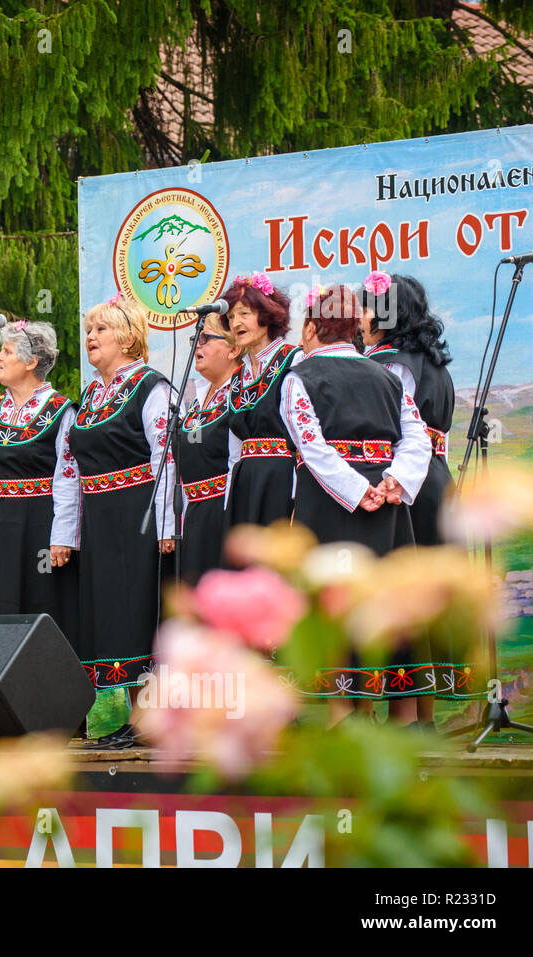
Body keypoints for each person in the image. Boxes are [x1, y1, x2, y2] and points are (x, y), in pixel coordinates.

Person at [282, 285, 432, 719]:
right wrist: (393, 481)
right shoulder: (385, 375)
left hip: (333, 507)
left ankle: (344, 721)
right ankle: (402, 723)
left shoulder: (299, 378)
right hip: (385, 508)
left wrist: (356, 490)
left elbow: (310, 445)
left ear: (311, 328)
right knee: (385, 603)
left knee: (338, 604)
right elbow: (416, 436)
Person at [68, 294, 175, 747]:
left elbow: (166, 459)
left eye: (101, 330)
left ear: (129, 338)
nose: (91, 338)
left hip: (138, 514)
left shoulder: (152, 387)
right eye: (90, 330)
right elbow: (70, 468)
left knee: (138, 611)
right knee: (112, 613)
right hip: (99, 518)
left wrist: (166, 526)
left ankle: (150, 721)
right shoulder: (90, 395)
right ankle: (134, 716)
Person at [359, 271, 462, 717]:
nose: (360, 317)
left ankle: (407, 717)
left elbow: (396, 430)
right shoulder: (432, 362)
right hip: (434, 479)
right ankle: (422, 717)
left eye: (367, 307)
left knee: (403, 593)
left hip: (404, 482)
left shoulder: (390, 362)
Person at [0, 319, 79, 640]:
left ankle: (42, 686)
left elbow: (67, 478)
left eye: (6, 351)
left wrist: (63, 536)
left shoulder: (61, 411)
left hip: (40, 528)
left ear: (30, 362)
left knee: (39, 604)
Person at [220, 273, 299, 528]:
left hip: (282, 481)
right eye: (231, 317)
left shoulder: (293, 360)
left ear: (266, 314)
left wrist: (300, 498)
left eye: (244, 313)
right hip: (245, 484)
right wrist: (229, 502)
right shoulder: (237, 377)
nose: (236, 323)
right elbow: (234, 451)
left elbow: (305, 438)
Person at [172, 315, 243, 581]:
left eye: (205, 339)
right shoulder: (195, 398)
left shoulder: (241, 393)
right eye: (194, 339)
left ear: (234, 349)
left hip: (225, 513)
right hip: (194, 515)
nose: (196, 347)